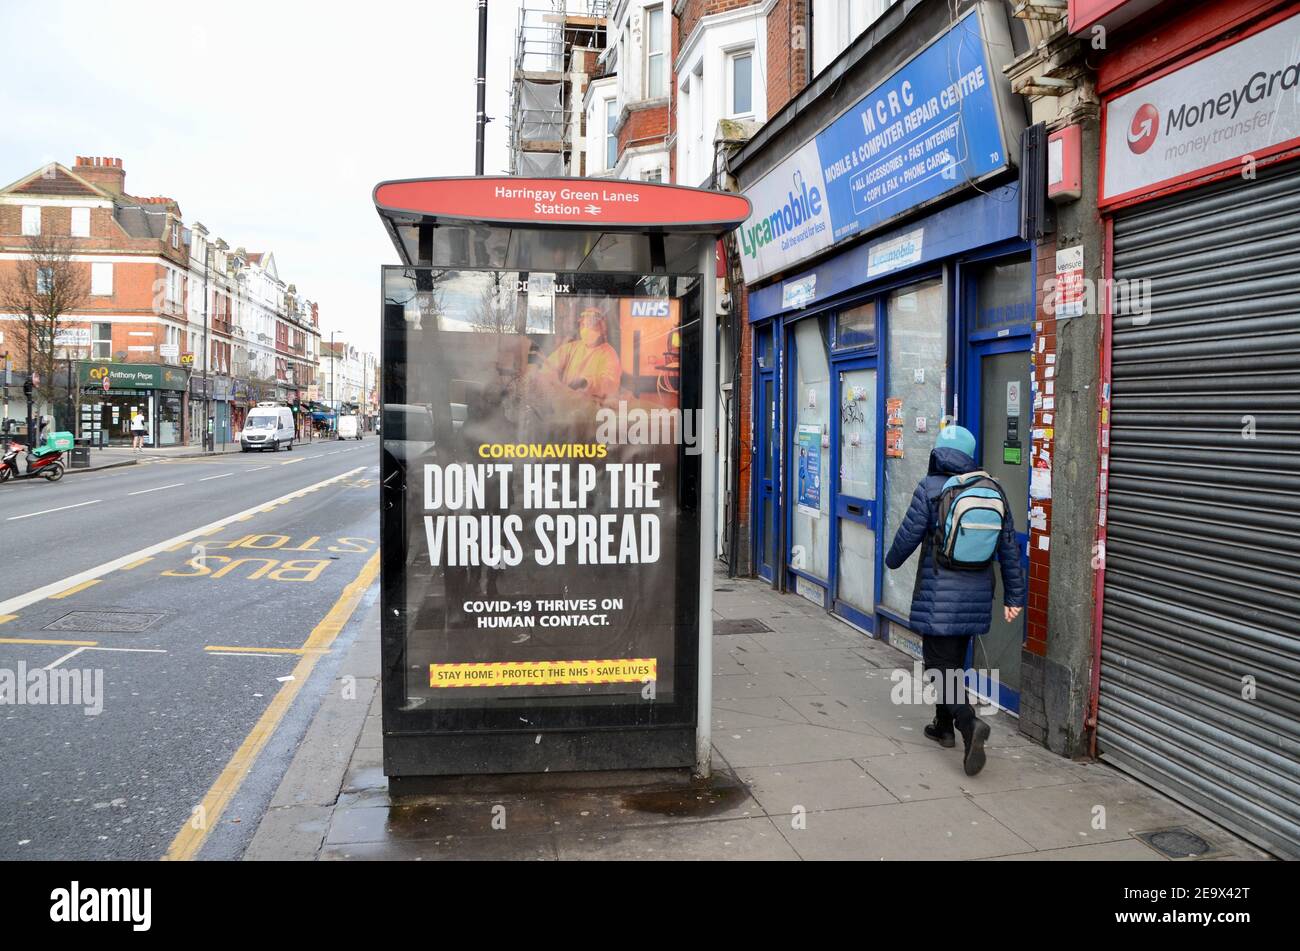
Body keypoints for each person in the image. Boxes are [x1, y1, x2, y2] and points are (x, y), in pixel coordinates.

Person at [884, 423, 1025, 776]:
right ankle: (943, 727)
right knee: (953, 664)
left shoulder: (930, 488)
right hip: (976, 596)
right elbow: (1008, 548)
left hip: (938, 595)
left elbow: (908, 535)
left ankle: (967, 722)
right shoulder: (992, 489)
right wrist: (1014, 596)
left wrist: (891, 561)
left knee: (937, 665)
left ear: (938, 452)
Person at [539, 308, 623, 403]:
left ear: (601, 328)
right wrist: (551, 381)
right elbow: (549, 366)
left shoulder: (608, 354)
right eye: (583, 325)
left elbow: (610, 383)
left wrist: (586, 382)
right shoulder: (571, 348)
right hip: (567, 401)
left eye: (591, 325)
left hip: (592, 406)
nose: (586, 330)